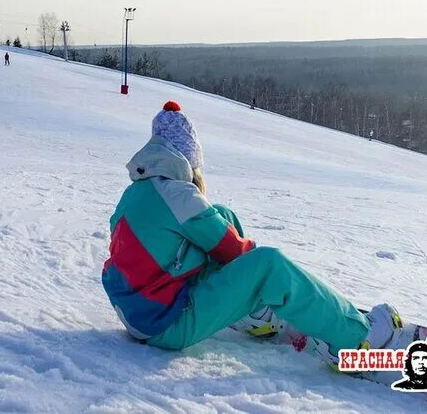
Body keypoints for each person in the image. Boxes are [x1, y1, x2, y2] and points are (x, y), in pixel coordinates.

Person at [102, 100, 404, 367]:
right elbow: (233, 251)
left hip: (138, 314)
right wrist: (259, 282)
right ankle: (357, 338)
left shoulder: (135, 192)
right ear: (189, 160)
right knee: (268, 264)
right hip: (167, 325)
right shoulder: (179, 195)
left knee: (222, 214)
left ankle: (254, 314)